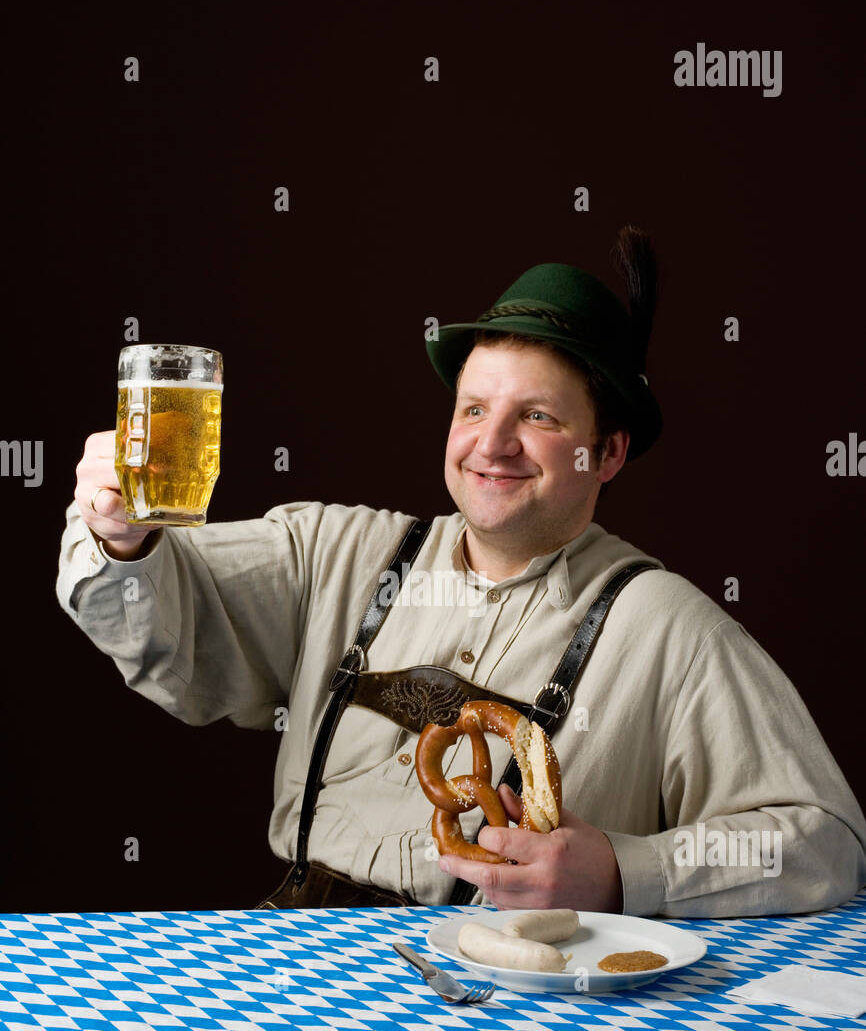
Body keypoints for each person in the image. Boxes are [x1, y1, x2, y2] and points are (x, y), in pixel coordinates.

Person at [56, 228, 866, 915]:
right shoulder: (335, 551)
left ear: (608, 451)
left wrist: (625, 873)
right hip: (290, 962)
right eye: (475, 408)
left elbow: (826, 843)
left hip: (508, 1013)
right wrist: (123, 537)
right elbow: (169, 617)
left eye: (538, 417)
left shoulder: (668, 629)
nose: (493, 442)